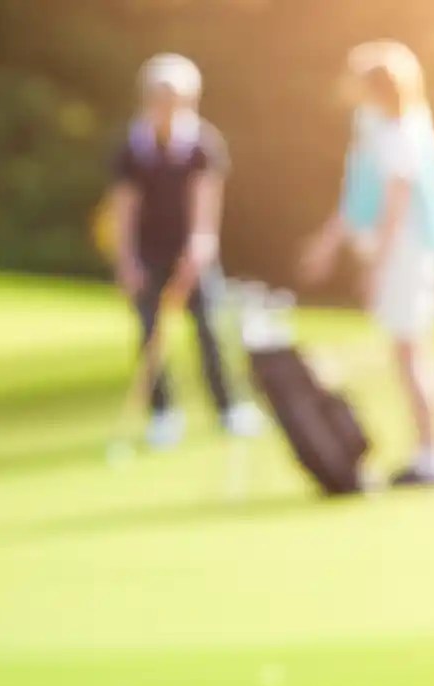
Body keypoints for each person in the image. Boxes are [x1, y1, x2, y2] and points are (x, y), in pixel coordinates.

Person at [300, 40, 434, 486]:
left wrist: (377, 267)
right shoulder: (371, 123)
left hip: (408, 253)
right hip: (394, 252)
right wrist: (330, 243)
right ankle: (426, 452)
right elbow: (358, 197)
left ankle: (433, 455)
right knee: (405, 352)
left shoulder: (402, 132)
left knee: (411, 352)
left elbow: (396, 205)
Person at [108, 53, 260, 454]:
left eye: (174, 98)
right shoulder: (133, 146)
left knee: (209, 328)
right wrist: (126, 260)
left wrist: (198, 248)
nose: (166, 105)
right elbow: (124, 208)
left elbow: (205, 203)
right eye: (159, 97)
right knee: (150, 332)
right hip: (147, 251)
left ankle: (229, 408)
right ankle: (163, 414)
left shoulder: (200, 144)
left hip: (191, 250)